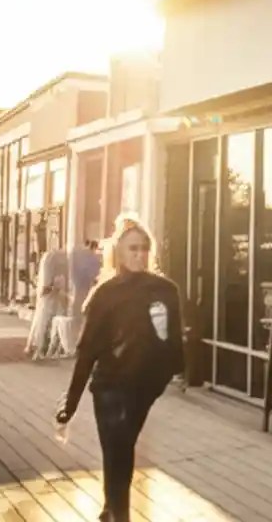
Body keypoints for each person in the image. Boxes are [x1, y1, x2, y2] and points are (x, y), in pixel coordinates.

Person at [54, 220, 186, 522]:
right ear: (119, 252)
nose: (140, 254)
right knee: (118, 447)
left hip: (143, 388)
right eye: (133, 249)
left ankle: (111, 508)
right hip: (109, 387)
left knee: (119, 448)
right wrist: (70, 404)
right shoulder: (106, 294)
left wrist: (159, 382)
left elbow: (175, 347)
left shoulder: (166, 290)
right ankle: (117, 513)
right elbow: (87, 352)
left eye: (144, 248)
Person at [25, 247, 70, 360]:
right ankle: (43, 348)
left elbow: (44, 288)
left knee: (43, 321)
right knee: (46, 322)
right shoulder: (57, 261)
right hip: (52, 298)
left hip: (50, 298)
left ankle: (39, 347)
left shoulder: (49, 260)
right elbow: (46, 288)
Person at [68, 239, 103, 345]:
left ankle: (75, 338)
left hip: (78, 286)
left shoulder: (77, 255)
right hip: (87, 287)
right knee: (85, 312)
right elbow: (95, 274)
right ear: (94, 247)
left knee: (77, 310)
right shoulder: (94, 258)